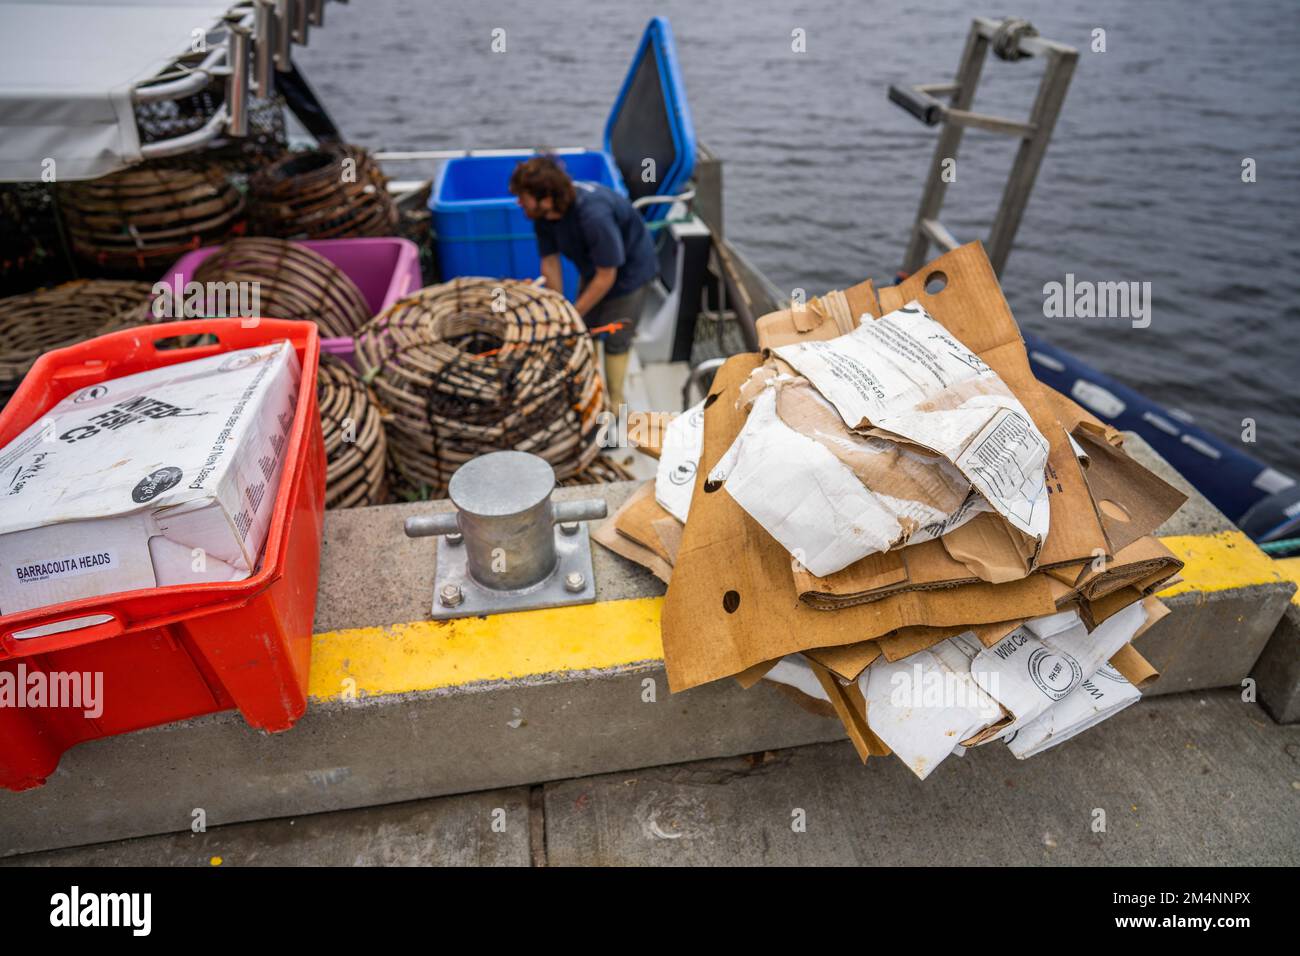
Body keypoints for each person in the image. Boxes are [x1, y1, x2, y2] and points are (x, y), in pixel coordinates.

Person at [509, 155, 657, 409]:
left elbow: (607, 274)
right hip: (594, 269)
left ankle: (615, 401)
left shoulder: (593, 216)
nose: (518, 202)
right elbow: (550, 262)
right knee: (584, 330)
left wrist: (574, 313)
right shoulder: (543, 216)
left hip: (628, 272)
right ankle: (592, 387)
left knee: (615, 336)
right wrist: (561, 310)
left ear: (545, 197)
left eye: (523, 197)